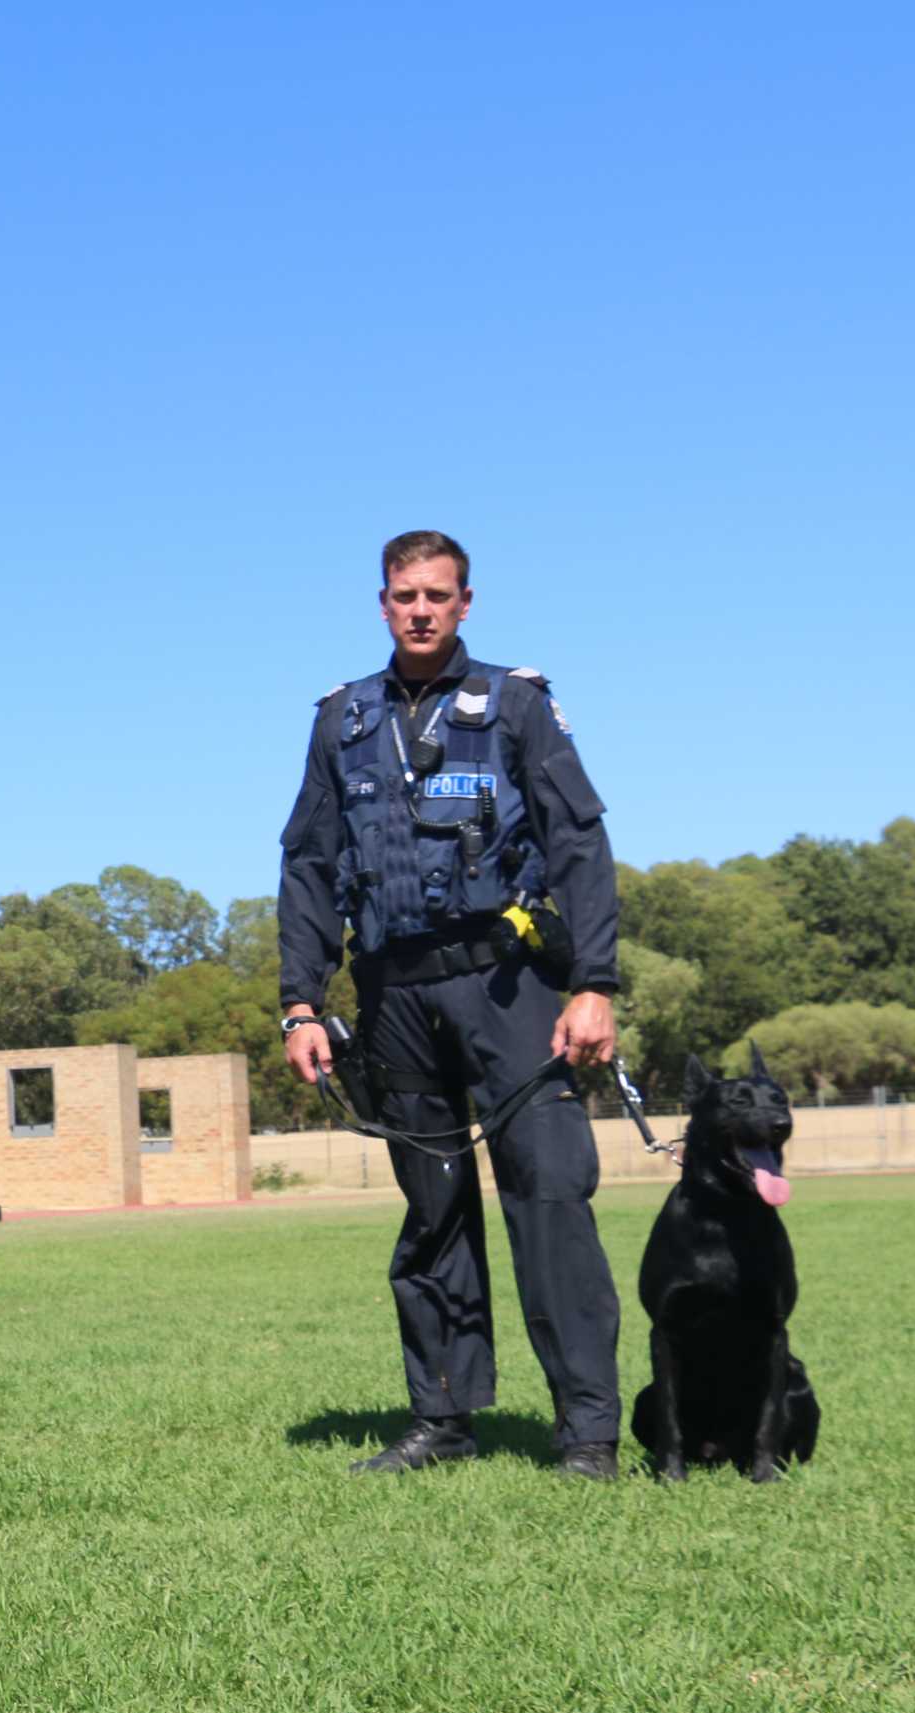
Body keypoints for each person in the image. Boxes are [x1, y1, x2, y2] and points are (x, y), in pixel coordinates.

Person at [275, 532, 626, 1480]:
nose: (421, 610)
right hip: (391, 993)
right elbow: (307, 865)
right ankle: (443, 1418)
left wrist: (594, 985)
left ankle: (588, 1433)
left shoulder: (517, 704)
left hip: (507, 988)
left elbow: (579, 843)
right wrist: (300, 1003)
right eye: (405, 595)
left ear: (465, 602)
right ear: (382, 604)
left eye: (437, 594)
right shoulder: (341, 719)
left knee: (549, 1201)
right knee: (432, 1215)